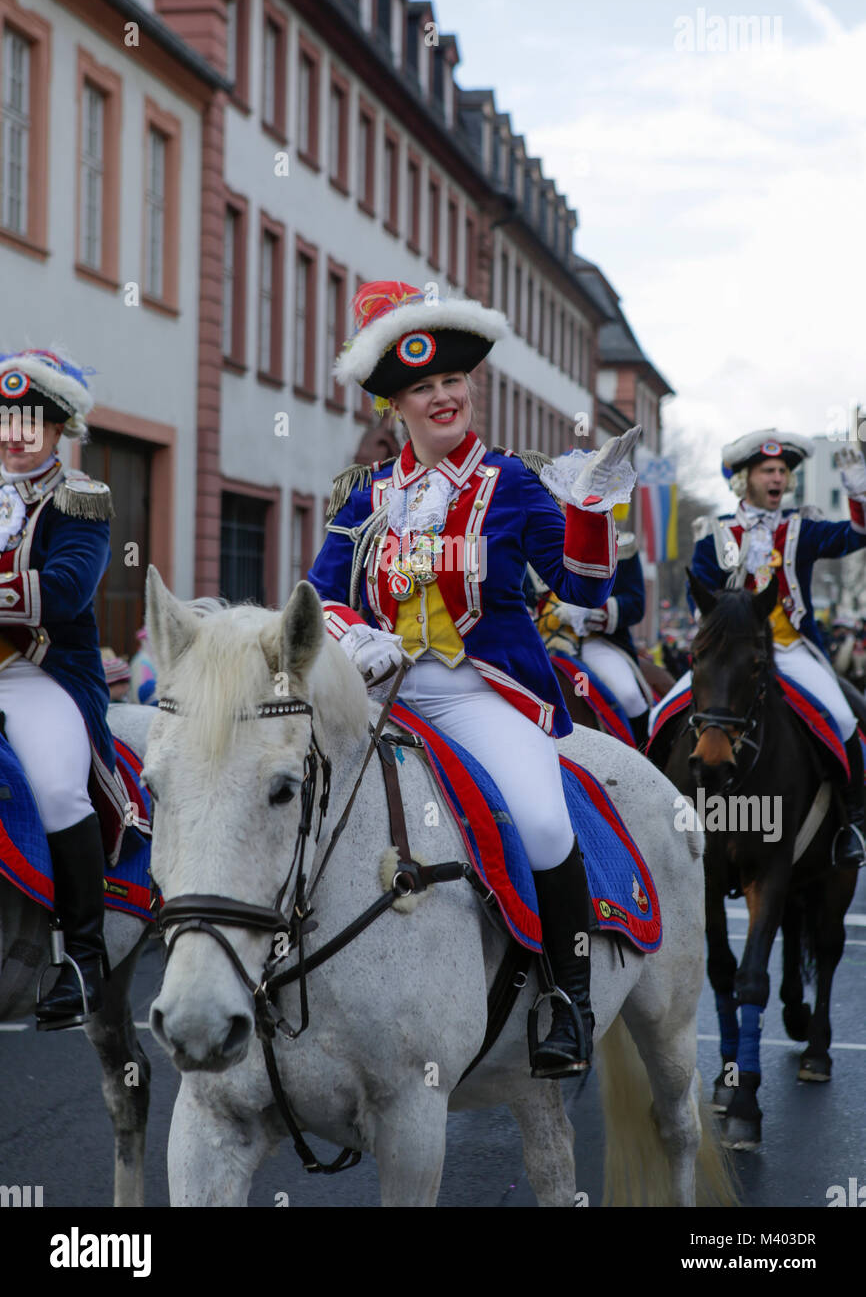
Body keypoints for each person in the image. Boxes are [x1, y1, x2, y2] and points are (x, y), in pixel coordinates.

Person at [308, 280, 640, 1077]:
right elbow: (319, 595)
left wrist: (592, 510)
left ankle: (567, 996)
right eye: (424, 387)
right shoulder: (366, 499)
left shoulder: (513, 484)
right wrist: (353, 638)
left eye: (454, 381)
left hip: (479, 694)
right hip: (381, 696)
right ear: (397, 408)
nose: (445, 396)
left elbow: (586, 588)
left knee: (543, 819)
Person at [658, 429, 866, 867]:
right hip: (732, 653)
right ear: (744, 479)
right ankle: (657, 815)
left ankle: (851, 825)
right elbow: (701, 593)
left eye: (783, 471)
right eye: (768, 470)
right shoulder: (715, 534)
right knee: (662, 717)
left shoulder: (799, 529)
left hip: (790, 648)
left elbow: (854, 535)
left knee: (846, 718)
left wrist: (859, 493)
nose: (778, 477)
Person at [0, 349, 122, 1028]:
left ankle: (82, 959)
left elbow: (66, 592)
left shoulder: (81, 499)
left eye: (31, 422)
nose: (15, 434)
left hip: (36, 672)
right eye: (5, 419)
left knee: (56, 785)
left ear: (58, 430)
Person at [535, 505, 653, 747]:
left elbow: (634, 604)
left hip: (594, 642)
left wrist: (593, 611)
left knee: (629, 695)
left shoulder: (621, 544)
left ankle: (645, 758)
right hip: (538, 643)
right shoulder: (530, 538)